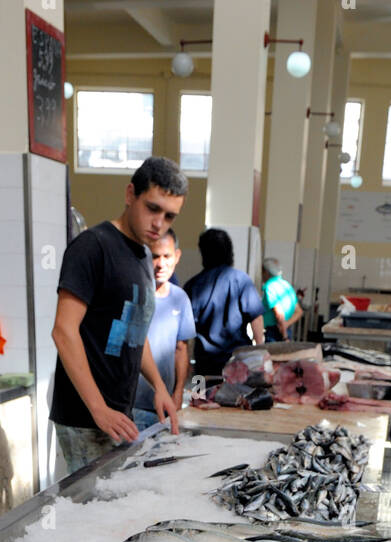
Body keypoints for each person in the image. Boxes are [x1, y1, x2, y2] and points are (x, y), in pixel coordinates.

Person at [50, 155, 187, 474]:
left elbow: (135, 332)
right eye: (152, 208)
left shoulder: (141, 255)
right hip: (85, 418)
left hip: (118, 415)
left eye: (169, 216)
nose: (159, 224)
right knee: (93, 514)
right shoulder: (92, 247)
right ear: (130, 195)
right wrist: (98, 409)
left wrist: (160, 387)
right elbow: (63, 331)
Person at [132, 229, 196, 431]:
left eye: (166, 256)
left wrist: (177, 393)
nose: (160, 264)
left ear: (176, 256)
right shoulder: (135, 295)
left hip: (165, 406)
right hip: (132, 407)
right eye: (154, 257)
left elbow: (181, 349)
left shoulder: (180, 298)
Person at [184, 229, 265, 376]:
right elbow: (256, 318)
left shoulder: (193, 285)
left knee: (199, 397)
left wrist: (188, 361)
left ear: (203, 253)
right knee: (237, 398)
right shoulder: (241, 280)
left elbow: (187, 331)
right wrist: (260, 352)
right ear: (229, 252)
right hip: (238, 364)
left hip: (203, 365)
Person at [261, 257, 302, 343]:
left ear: (266, 272)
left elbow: (279, 314)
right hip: (286, 329)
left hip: (275, 333)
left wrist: (284, 336)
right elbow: (299, 312)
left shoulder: (269, 287)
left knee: (272, 355)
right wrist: (287, 325)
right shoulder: (287, 285)